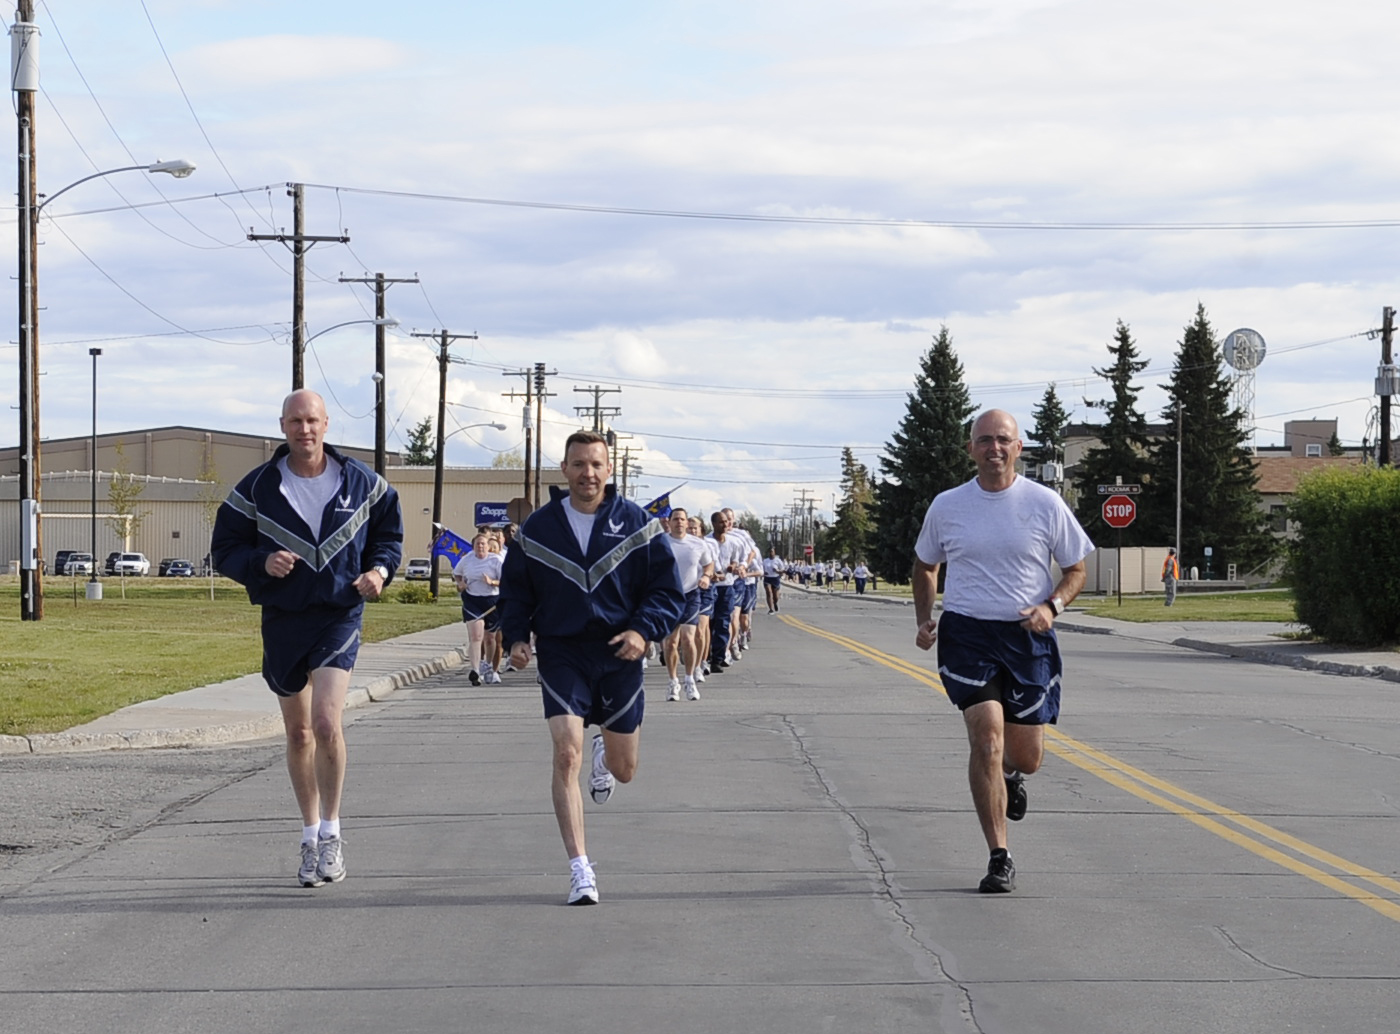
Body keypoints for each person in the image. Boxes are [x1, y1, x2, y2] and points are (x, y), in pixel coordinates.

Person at [211, 389, 403, 889]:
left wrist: (380, 570)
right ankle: (309, 834)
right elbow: (225, 548)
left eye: (312, 420)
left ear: (326, 423)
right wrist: (261, 563)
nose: (305, 429)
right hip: (284, 618)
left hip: (339, 613)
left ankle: (334, 833)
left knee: (325, 720)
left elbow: (389, 535)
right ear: (282, 426)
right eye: (296, 421)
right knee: (298, 733)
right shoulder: (257, 488)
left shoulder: (362, 482)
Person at [499, 430, 684, 905]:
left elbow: (666, 593)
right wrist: (518, 638)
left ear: (609, 470)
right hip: (562, 652)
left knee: (625, 771)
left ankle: (607, 752)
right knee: (565, 753)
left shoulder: (638, 525)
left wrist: (643, 632)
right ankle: (580, 868)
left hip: (620, 652)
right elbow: (516, 591)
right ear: (564, 469)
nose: (588, 474)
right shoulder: (539, 529)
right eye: (579, 464)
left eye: (597, 465)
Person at [911, 409, 1092, 895]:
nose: (994, 448)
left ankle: (1012, 775)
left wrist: (1052, 606)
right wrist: (924, 618)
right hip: (967, 633)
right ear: (971, 448)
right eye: (984, 440)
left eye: (1003, 440)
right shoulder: (948, 506)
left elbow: (1076, 569)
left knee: (1025, 756)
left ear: (1019, 447)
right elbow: (925, 566)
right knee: (986, 737)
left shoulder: (1045, 503)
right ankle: (1000, 855)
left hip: (1026, 636)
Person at [662, 508, 714, 701]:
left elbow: (709, 564)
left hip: (691, 595)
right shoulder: (661, 543)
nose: (679, 523)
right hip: (668, 597)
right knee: (670, 643)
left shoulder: (697, 544)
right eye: (675, 519)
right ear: (669, 522)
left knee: (688, 639)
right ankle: (672, 682)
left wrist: (707, 576)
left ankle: (690, 679)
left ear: (686, 522)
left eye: (682, 519)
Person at [453, 532, 504, 685]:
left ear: (488, 547)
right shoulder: (467, 559)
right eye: (477, 544)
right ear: (473, 546)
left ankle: (488, 664)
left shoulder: (496, 560)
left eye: (483, 544)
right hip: (472, 600)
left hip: (492, 601)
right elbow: (457, 574)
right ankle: (475, 670)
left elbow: (506, 581)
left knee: (490, 638)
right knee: (476, 636)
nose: (480, 546)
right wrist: (460, 584)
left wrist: (492, 582)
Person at [762, 547, 786, 612]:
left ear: (775, 552)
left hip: (775, 578)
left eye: (772, 551)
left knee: (776, 596)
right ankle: (771, 609)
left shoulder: (778, 560)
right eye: (770, 551)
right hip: (767, 578)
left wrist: (777, 571)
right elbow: (761, 569)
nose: (771, 553)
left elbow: (783, 570)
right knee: (769, 592)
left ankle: (775, 602)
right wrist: (764, 572)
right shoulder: (765, 561)